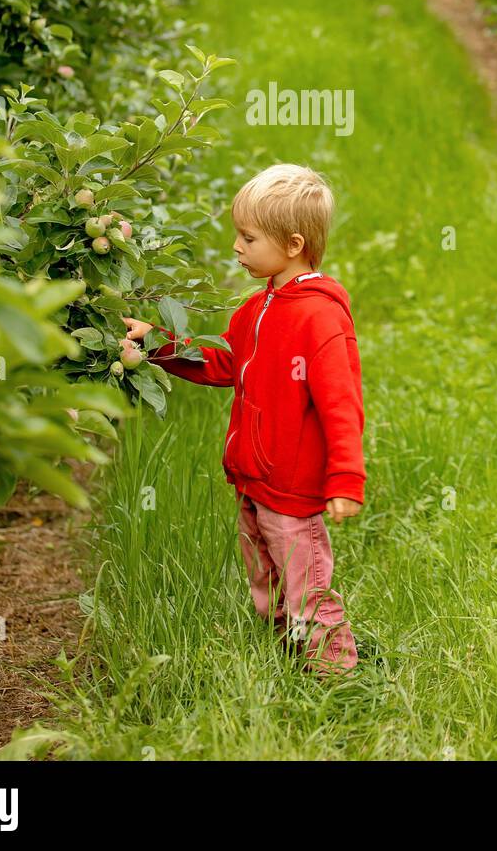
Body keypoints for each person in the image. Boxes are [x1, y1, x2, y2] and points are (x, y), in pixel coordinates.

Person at [122, 162, 366, 675]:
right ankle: (289, 657)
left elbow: (341, 403)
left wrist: (344, 478)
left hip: (294, 487)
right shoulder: (256, 308)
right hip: (253, 479)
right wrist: (157, 345)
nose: (237, 246)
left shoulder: (319, 317)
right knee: (267, 581)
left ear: (294, 243)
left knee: (306, 587)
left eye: (248, 237)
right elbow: (225, 363)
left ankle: (337, 678)